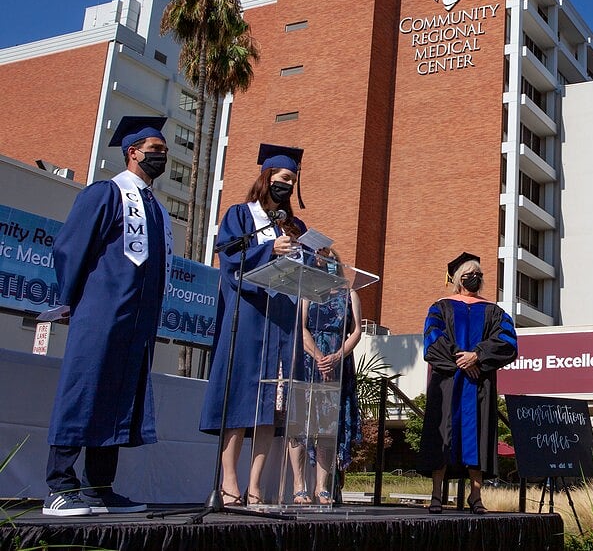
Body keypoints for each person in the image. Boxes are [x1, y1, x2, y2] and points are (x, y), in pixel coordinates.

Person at [44, 116, 173, 516]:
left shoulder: (155, 208)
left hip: (137, 322)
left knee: (118, 399)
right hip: (101, 313)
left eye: (164, 152)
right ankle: (59, 487)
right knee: (84, 392)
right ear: (132, 152)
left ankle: (98, 489)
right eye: (155, 150)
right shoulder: (106, 192)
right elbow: (70, 248)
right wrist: (73, 301)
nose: (162, 157)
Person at [199, 144, 307, 506]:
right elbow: (229, 258)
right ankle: (229, 481)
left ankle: (255, 484)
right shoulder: (240, 216)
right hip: (247, 316)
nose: (287, 186)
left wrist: (311, 261)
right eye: (282, 179)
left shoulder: (295, 226)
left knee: (268, 404)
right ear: (266, 179)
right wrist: (269, 251)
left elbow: (303, 269)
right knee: (241, 397)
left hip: (281, 319)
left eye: (292, 181)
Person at [418, 252, 518, 514]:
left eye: (478, 275)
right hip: (448, 383)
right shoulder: (440, 307)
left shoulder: (494, 311)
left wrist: (478, 356)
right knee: (444, 435)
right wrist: (460, 359)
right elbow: (432, 339)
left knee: (478, 437)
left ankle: (476, 496)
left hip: (479, 385)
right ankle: (437, 495)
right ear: (457, 278)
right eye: (468, 274)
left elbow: (508, 342)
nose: (474, 278)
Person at [294, 248, 363, 505]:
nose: (328, 265)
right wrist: (319, 356)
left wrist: (336, 356)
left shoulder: (349, 294)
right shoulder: (308, 293)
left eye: (332, 261)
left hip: (339, 361)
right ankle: (298, 485)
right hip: (309, 362)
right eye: (323, 262)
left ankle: (321, 486)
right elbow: (301, 328)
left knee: (327, 427)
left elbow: (356, 331)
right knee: (301, 425)